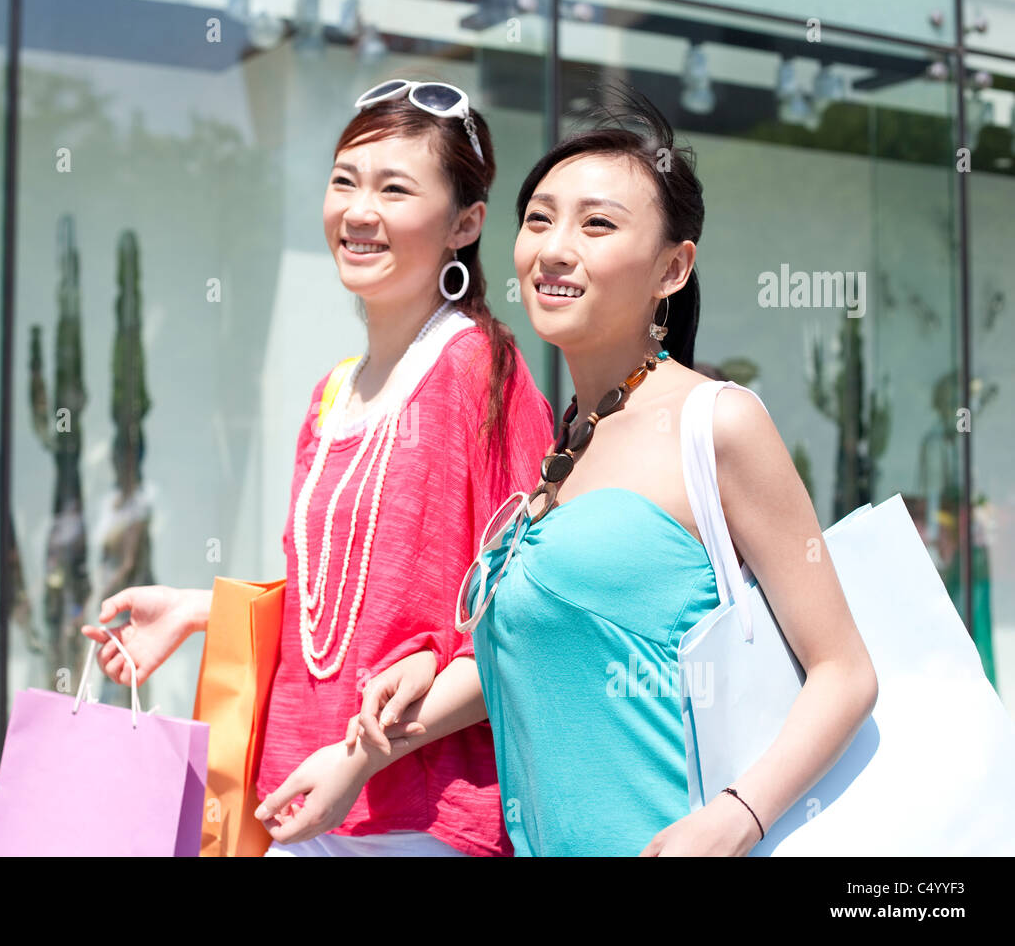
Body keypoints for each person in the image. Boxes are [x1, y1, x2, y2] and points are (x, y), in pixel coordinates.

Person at [341, 88, 878, 856]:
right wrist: (391, 724)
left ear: (672, 267)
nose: (555, 247)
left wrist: (732, 820)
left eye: (597, 224)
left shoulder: (715, 421)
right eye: (539, 218)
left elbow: (846, 672)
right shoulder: (562, 452)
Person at [82, 79, 555, 856]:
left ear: (465, 222)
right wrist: (201, 609)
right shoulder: (333, 393)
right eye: (345, 181)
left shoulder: (482, 375)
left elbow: (512, 630)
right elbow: (343, 607)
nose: (359, 211)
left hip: (423, 817)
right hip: (300, 795)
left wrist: (361, 755)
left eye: (395, 188)